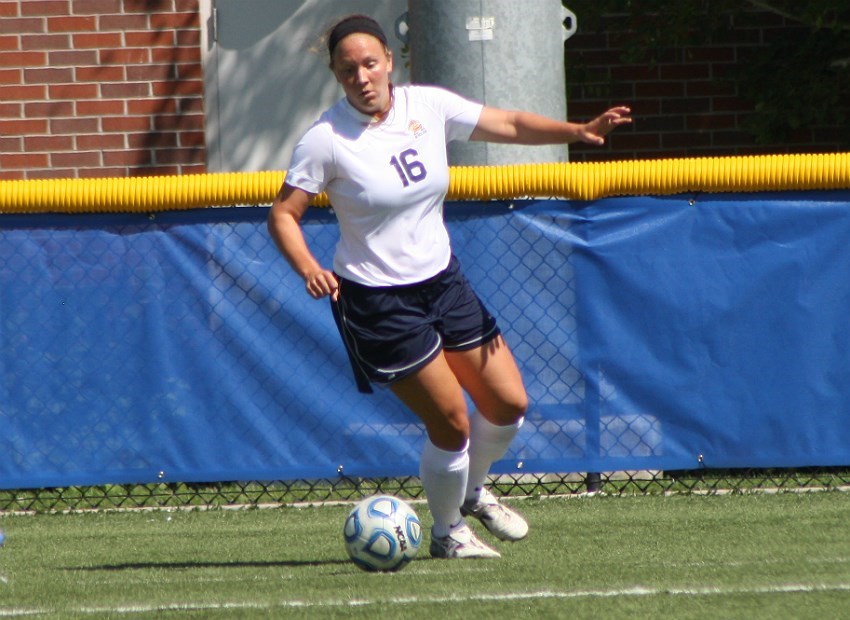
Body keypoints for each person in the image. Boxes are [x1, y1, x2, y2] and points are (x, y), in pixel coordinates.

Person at [267, 14, 631, 560]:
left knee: (509, 403)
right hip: (378, 300)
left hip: (443, 283)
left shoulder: (426, 106)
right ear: (337, 77)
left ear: (390, 61)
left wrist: (576, 132)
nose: (361, 77)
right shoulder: (326, 139)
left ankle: (472, 492)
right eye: (348, 71)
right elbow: (283, 215)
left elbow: (507, 124)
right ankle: (447, 533)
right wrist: (308, 268)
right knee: (452, 422)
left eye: (370, 63)